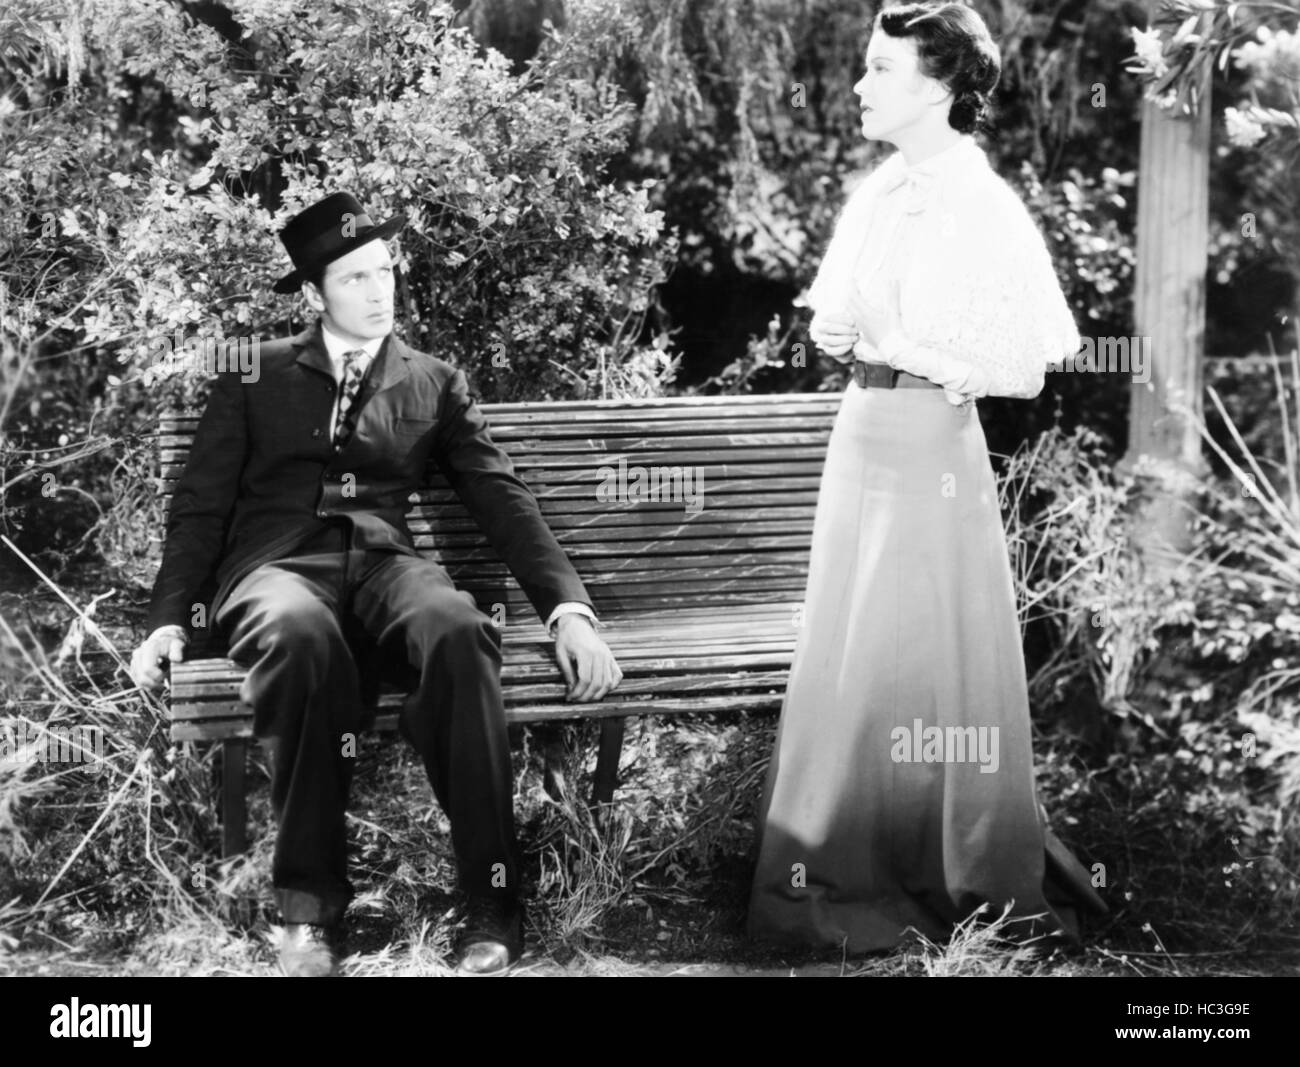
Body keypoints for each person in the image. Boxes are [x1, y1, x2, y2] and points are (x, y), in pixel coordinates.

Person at [129, 191, 623, 976]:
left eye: (384, 272)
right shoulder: (254, 374)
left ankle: (490, 899)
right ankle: (309, 912)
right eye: (355, 278)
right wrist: (166, 620)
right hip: (277, 571)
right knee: (297, 634)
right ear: (314, 292)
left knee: (459, 631)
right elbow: (200, 507)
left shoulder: (431, 380)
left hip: (388, 567)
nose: (378, 290)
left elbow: (500, 497)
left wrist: (568, 610)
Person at [748, 2, 1106, 954]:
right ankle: (837, 858)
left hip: (931, 448)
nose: (859, 87)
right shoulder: (875, 193)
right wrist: (842, 333)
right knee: (857, 650)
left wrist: (905, 343)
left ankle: (957, 866)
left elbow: (1027, 363)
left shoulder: (981, 203)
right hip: (861, 434)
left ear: (940, 87)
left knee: (932, 660)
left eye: (880, 70)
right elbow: (841, 317)